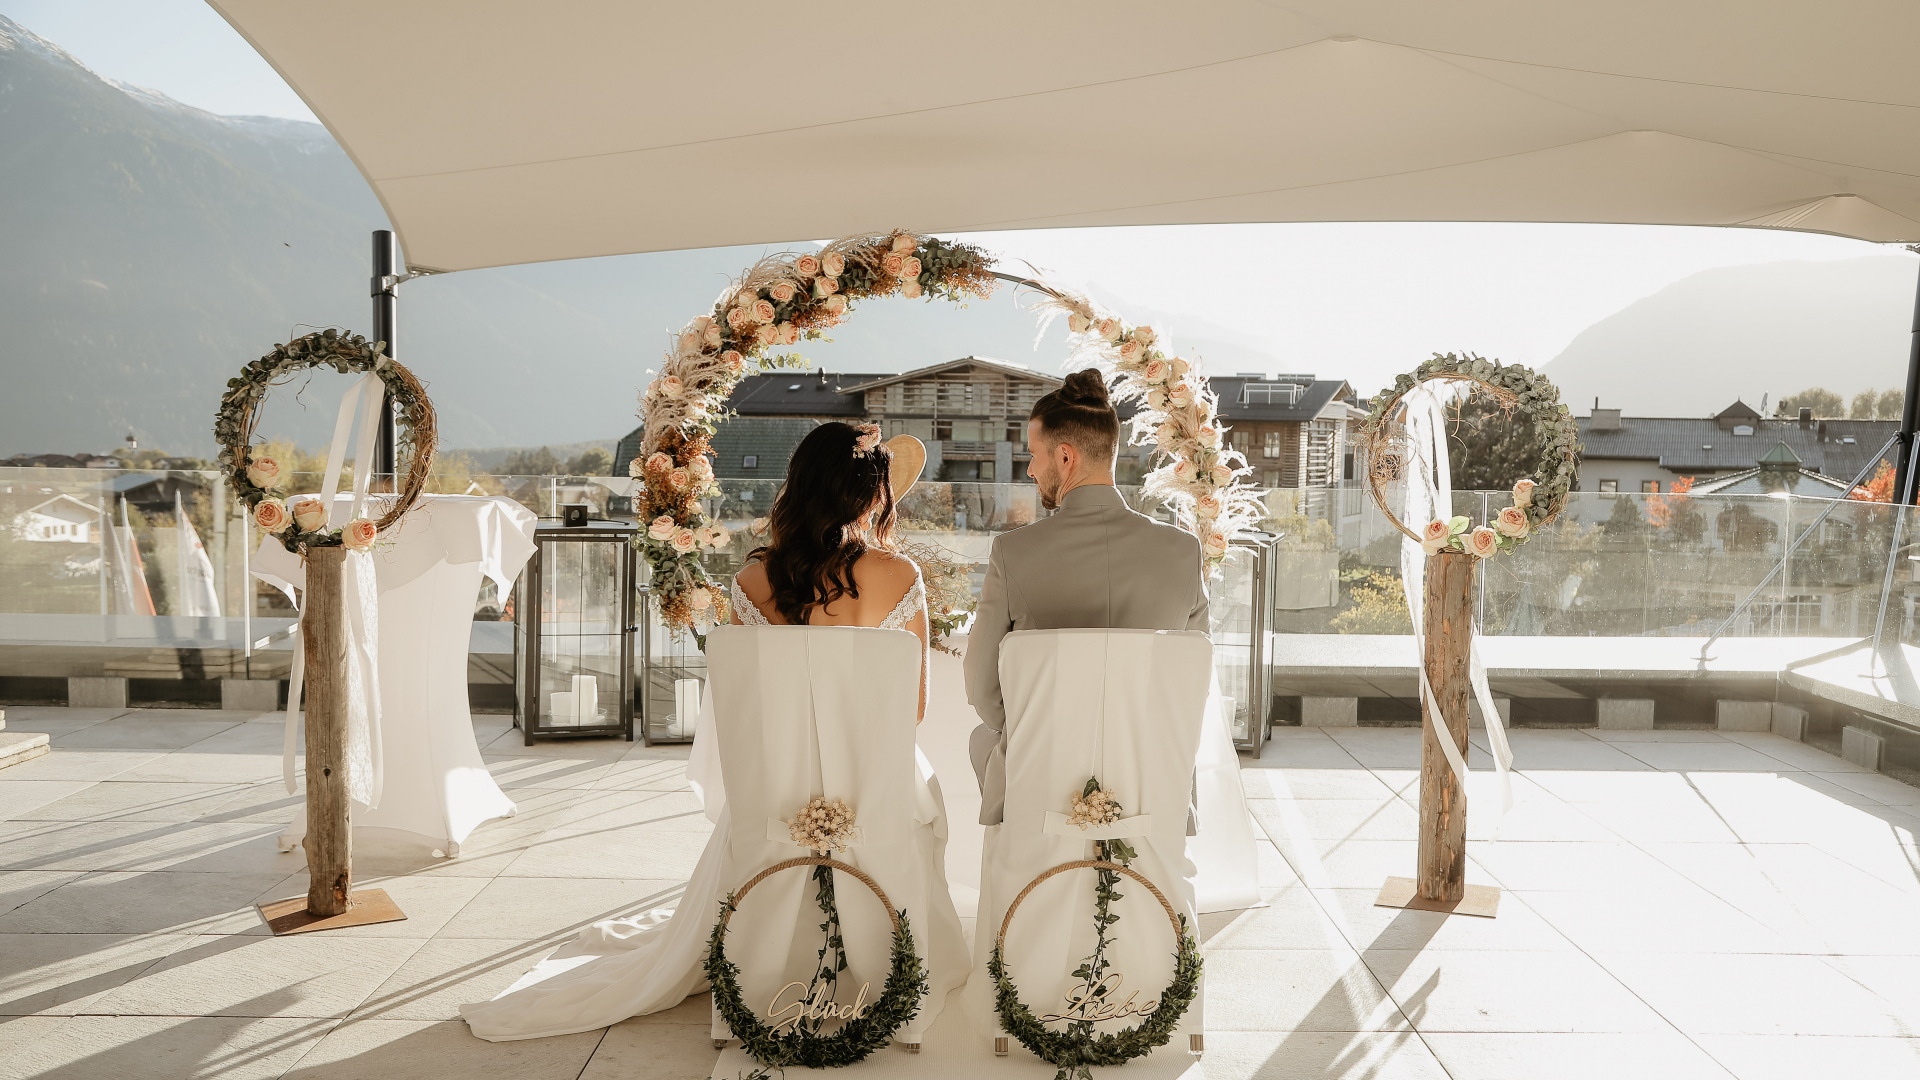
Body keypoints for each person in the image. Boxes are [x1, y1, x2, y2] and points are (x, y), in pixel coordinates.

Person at [461, 421, 960, 1042]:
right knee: (922, 798)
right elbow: (911, 709)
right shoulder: (901, 577)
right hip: (875, 775)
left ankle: (768, 958)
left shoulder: (752, 581)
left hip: (777, 776)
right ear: (871, 495)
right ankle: (889, 966)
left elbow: (744, 706)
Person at [964, 369, 1210, 827]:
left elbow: (982, 690)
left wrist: (1039, 727)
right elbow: (1191, 684)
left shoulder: (1013, 552)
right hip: (1149, 782)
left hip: (1044, 780)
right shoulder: (1184, 551)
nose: (1031, 469)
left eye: (1034, 456)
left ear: (1065, 456)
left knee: (984, 739)